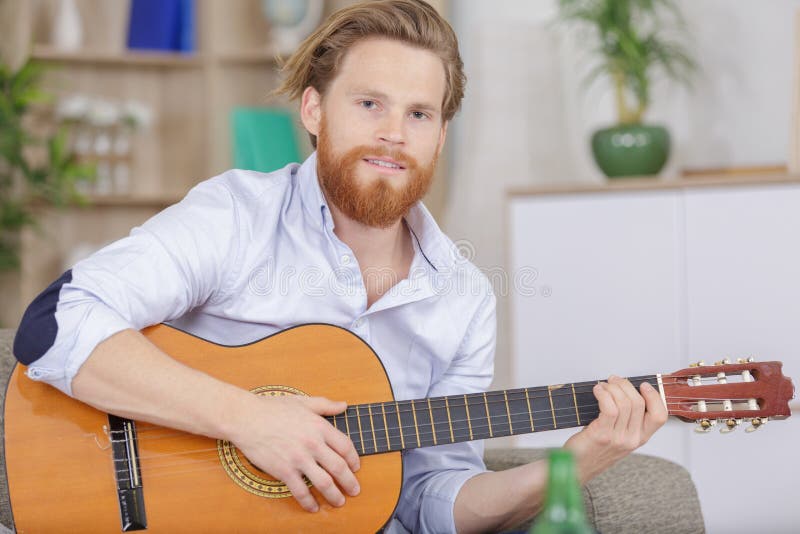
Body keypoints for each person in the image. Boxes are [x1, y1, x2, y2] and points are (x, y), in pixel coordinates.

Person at [12, 1, 667, 532]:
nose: (393, 133)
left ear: (440, 135)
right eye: (369, 104)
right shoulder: (236, 215)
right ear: (314, 109)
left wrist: (573, 466)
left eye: (419, 114)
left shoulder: (464, 297)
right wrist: (248, 418)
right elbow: (53, 324)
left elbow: (432, 501)